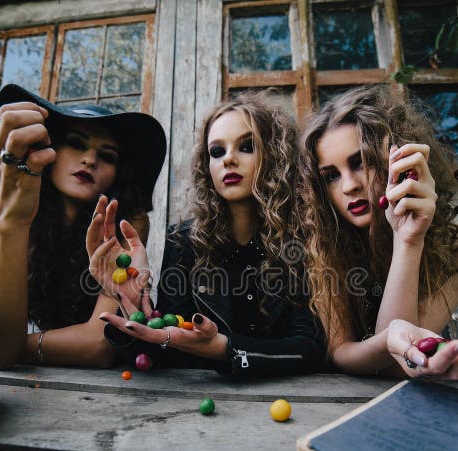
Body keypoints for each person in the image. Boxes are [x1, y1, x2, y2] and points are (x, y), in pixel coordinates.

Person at [90, 91, 326, 377]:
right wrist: (135, 306)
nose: (228, 160)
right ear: (206, 165)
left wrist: (225, 349)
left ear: (276, 155)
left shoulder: (304, 237)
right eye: (217, 151)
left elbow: (310, 348)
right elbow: (164, 345)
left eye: (247, 146)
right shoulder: (182, 240)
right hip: (196, 409)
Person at [296, 85, 458, 379]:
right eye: (331, 176)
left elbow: (397, 366)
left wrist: (408, 239)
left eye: (360, 162)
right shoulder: (323, 241)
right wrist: (389, 340)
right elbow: (342, 352)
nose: (349, 186)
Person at [0, 84, 166, 369]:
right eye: (77, 143)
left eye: (108, 156)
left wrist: (13, 347)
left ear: (117, 174)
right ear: (50, 150)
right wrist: (10, 217)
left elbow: (99, 345)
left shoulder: (126, 224)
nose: (90, 159)